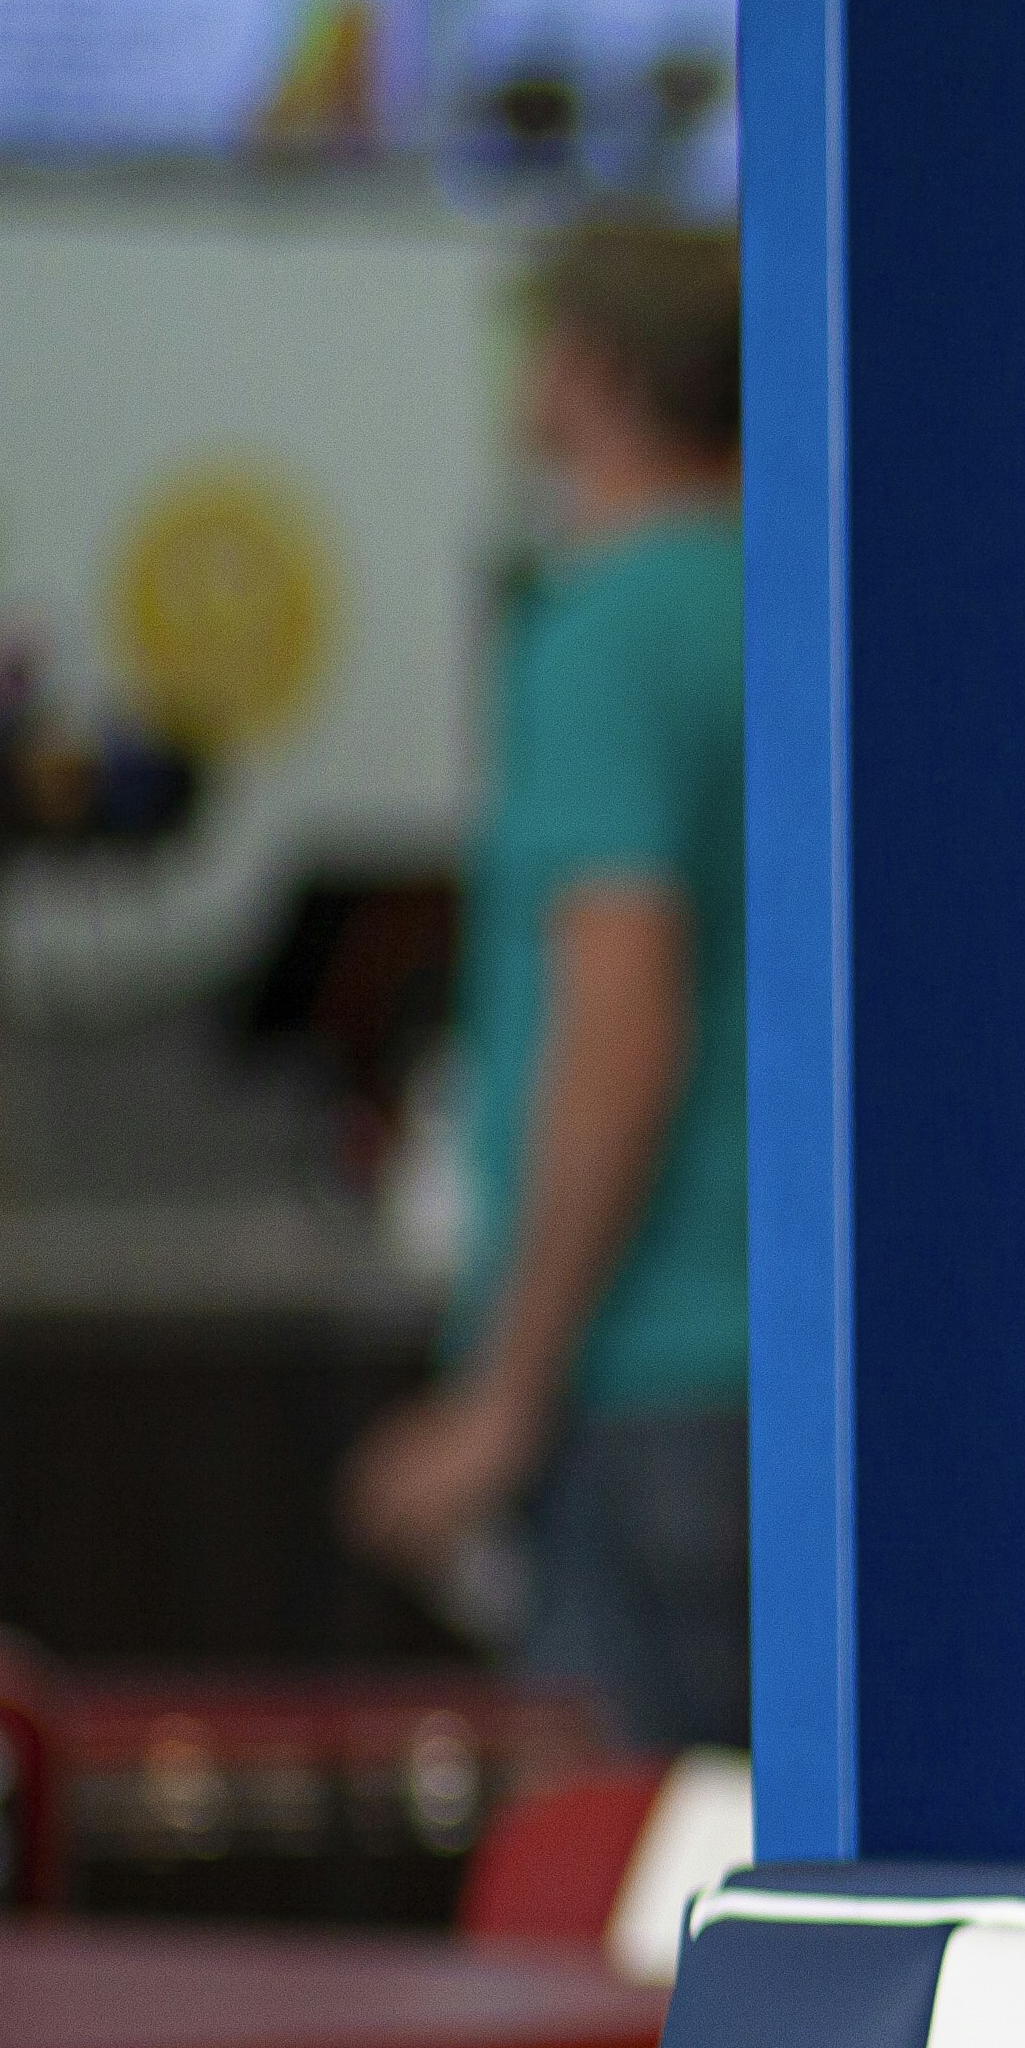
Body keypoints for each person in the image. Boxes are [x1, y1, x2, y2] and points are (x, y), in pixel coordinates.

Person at [344, 225, 748, 1756]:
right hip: (800, 1388)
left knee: (612, 1932)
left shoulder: (601, 629)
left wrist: (505, 1395)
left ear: (591, 368)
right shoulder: (798, 605)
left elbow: (622, 1029)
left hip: (644, 1387)